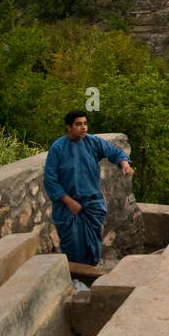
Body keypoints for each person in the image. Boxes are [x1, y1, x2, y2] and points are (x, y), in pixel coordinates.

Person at [42, 110, 133, 266]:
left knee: (93, 246)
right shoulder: (58, 148)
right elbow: (50, 180)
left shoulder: (92, 142)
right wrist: (69, 202)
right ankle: (76, 280)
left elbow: (114, 152)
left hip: (92, 204)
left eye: (85, 123)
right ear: (69, 127)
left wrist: (124, 163)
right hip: (68, 209)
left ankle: (89, 275)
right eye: (78, 124)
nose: (83, 127)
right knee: (73, 247)